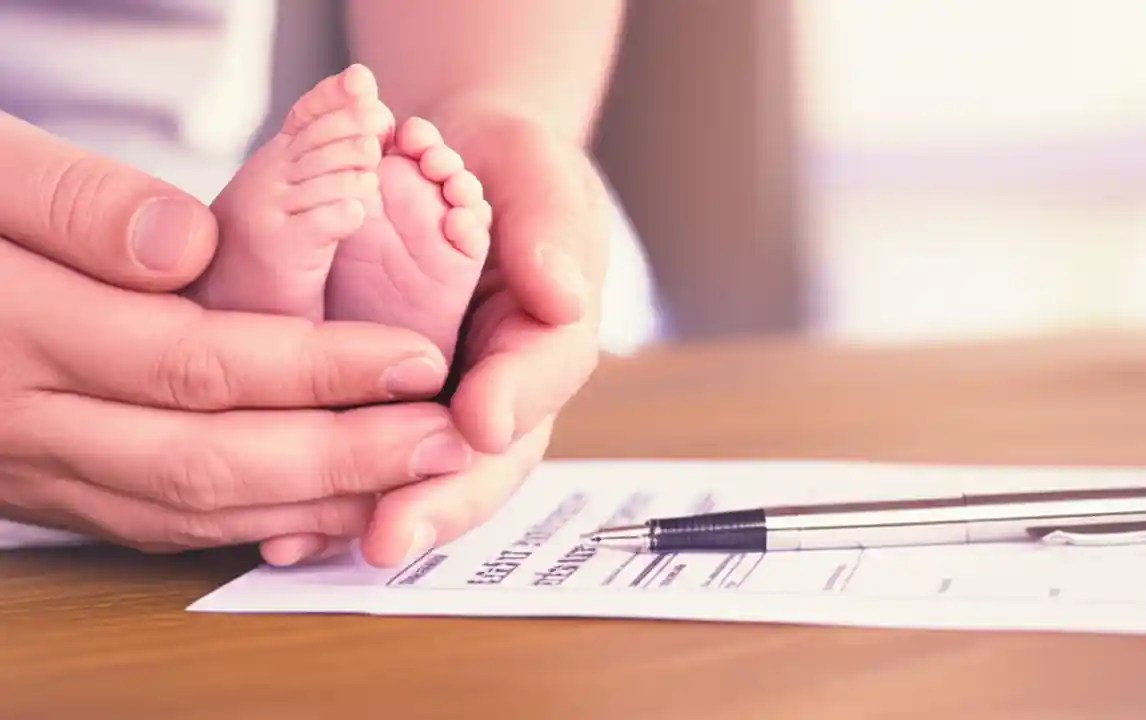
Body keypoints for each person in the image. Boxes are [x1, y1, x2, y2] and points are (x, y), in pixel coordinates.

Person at [0, 1, 659, 568]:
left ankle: (280, 315)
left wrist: (482, 101)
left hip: (163, 186)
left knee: (228, 245)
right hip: (157, 198)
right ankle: (270, 309)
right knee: (222, 239)